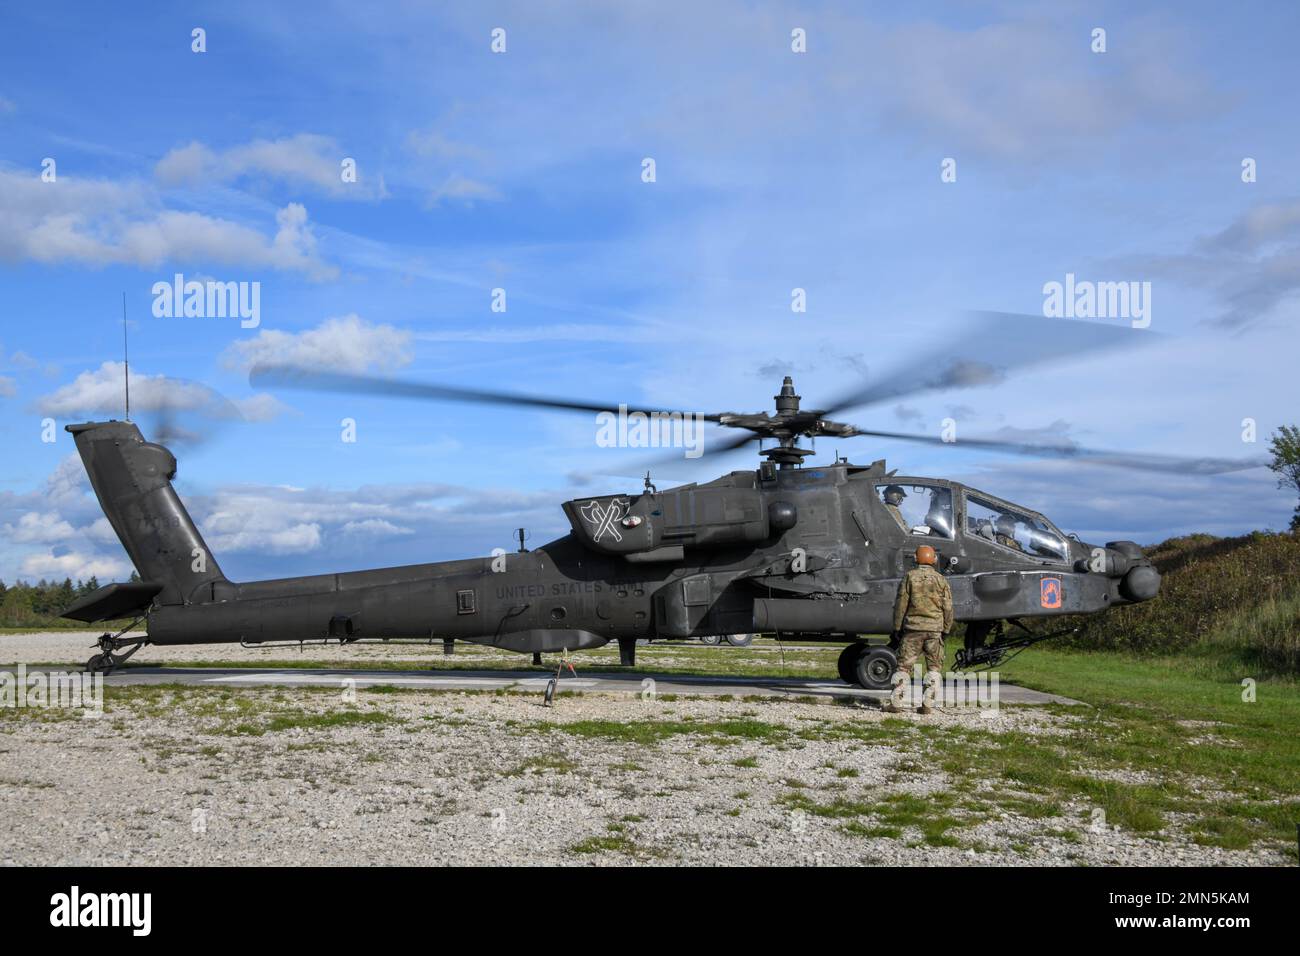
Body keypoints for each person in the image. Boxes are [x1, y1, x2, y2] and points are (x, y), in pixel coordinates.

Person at [884, 544, 953, 715]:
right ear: (934, 560)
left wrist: (897, 627)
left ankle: (896, 703)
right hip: (934, 630)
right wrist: (946, 628)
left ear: (916, 558)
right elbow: (948, 607)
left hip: (913, 629)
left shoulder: (909, 577)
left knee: (903, 667)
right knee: (934, 668)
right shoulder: (941, 580)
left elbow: (901, 604)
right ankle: (928, 705)